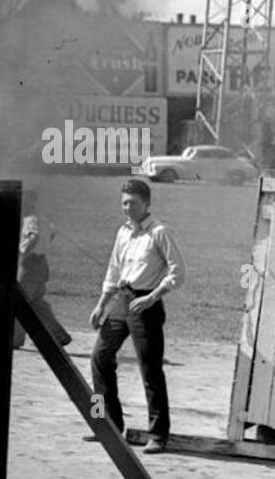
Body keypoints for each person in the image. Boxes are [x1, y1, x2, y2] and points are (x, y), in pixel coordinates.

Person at [89, 179, 186, 454]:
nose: (127, 208)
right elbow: (114, 270)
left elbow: (178, 273)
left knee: (150, 369)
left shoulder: (159, 232)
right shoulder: (123, 232)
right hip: (122, 300)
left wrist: (152, 297)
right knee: (99, 357)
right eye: (124, 203)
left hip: (147, 305)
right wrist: (101, 305)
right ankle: (107, 425)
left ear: (146, 203)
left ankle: (158, 435)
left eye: (132, 202)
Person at [13, 189, 71, 350]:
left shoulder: (30, 220)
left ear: (31, 201)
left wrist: (22, 250)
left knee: (20, 302)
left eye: (24, 200)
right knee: (37, 303)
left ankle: (14, 340)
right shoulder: (41, 218)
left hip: (30, 265)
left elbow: (33, 236)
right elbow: (51, 233)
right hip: (41, 264)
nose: (21, 203)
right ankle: (59, 335)